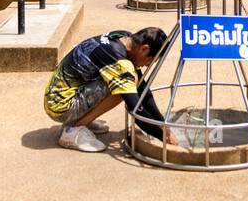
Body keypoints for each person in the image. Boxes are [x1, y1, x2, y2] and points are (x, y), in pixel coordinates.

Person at [44, 27, 176, 153]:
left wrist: (161, 123)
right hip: (61, 107)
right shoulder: (118, 59)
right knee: (124, 84)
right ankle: (74, 130)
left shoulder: (123, 38)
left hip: (58, 96)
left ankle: (80, 119)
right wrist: (162, 136)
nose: (147, 65)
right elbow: (135, 109)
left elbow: (142, 88)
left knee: (129, 80)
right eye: (150, 60)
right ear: (144, 49)